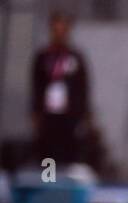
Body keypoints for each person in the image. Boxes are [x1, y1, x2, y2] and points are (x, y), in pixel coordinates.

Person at [29, 10, 90, 167]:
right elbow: (36, 85)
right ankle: (48, 181)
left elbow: (83, 88)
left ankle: (67, 182)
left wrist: (84, 114)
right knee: (48, 150)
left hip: (69, 115)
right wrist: (35, 112)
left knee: (69, 149)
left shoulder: (75, 57)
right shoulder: (43, 57)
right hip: (48, 114)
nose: (60, 34)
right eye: (56, 30)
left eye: (63, 30)